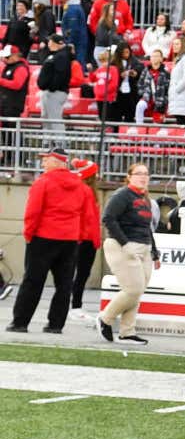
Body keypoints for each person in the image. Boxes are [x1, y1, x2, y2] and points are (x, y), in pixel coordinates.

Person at [7, 144, 95, 336]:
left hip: (43, 238)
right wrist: (78, 237)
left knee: (32, 281)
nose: (43, 162)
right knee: (64, 285)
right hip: (70, 240)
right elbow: (87, 215)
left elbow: (33, 212)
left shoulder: (43, 182)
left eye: (46, 159)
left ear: (56, 162)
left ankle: (20, 322)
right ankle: (55, 325)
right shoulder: (81, 186)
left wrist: (29, 234)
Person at [96, 163, 159, 346]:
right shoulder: (122, 195)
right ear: (129, 176)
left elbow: (147, 227)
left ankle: (127, 332)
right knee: (133, 289)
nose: (143, 177)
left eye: (146, 174)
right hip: (123, 245)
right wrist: (125, 243)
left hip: (144, 247)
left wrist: (154, 251)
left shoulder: (145, 198)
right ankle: (105, 318)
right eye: (138, 173)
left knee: (137, 292)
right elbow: (108, 218)